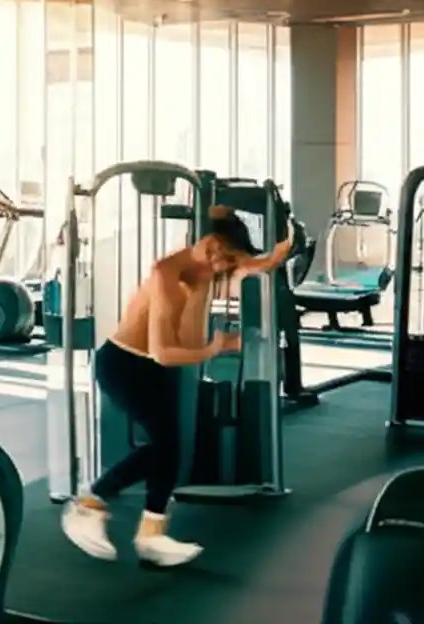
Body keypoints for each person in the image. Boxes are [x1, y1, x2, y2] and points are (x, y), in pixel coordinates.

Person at [61, 207, 295, 566]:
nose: (219, 260)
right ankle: (88, 504)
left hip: (153, 370)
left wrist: (280, 249)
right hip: (123, 364)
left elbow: (251, 262)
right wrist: (215, 347)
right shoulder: (167, 273)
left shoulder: (209, 267)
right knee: (161, 448)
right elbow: (165, 353)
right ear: (200, 237)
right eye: (214, 248)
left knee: (171, 448)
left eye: (227, 255)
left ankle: (151, 536)